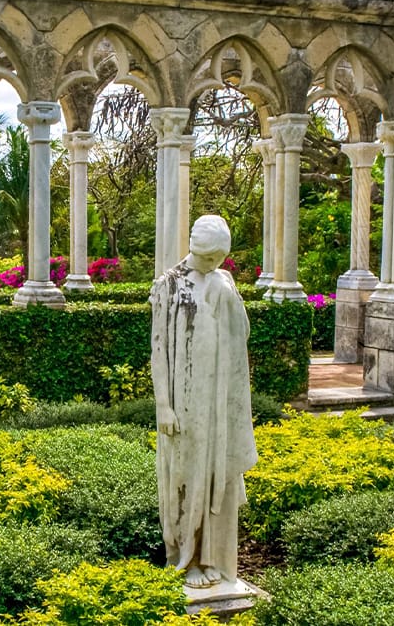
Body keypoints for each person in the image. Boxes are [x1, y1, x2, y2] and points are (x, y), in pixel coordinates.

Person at [150, 214, 258, 589]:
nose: (214, 265)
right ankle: (187, 558)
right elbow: (159, 349)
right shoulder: (169, 284)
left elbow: (240, 332)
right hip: (185, 398)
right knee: (187, 476)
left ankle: (213, 555)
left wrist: (225, 293)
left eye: (218, 260)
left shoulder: (223, 281)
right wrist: (163, 404)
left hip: (217, 397)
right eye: (210, 259)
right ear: (197, 249)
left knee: (216, 476)